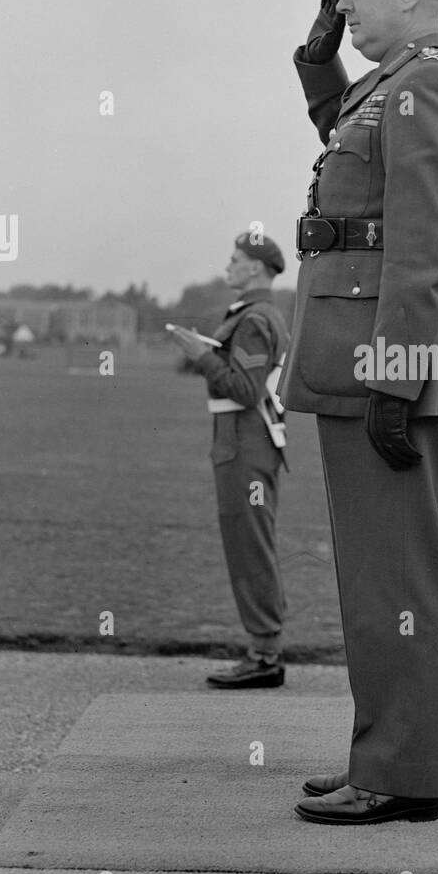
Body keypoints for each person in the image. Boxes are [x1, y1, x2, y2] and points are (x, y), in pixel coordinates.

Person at [279, 0, 438, 825]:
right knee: (373, 583)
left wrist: (398, 375)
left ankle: (401, 771)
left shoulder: (430, 85)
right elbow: (347, 138)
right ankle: (386, 755)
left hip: (396, 361)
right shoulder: (395, 85)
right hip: (374, 354)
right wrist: (315, 58)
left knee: (396, 584)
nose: (347, 0)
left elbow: (422, 239)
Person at [169, 232, 290, 689]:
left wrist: (201, 356)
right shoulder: (254, 314)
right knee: (248, 543)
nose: (229, 265)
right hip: (241, 441)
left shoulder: (256, 318)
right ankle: (262, 647)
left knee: (250, 545)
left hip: (245, 441)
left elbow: (245, 390)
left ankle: (265, 653)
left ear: (256, 268)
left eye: (236, 259)